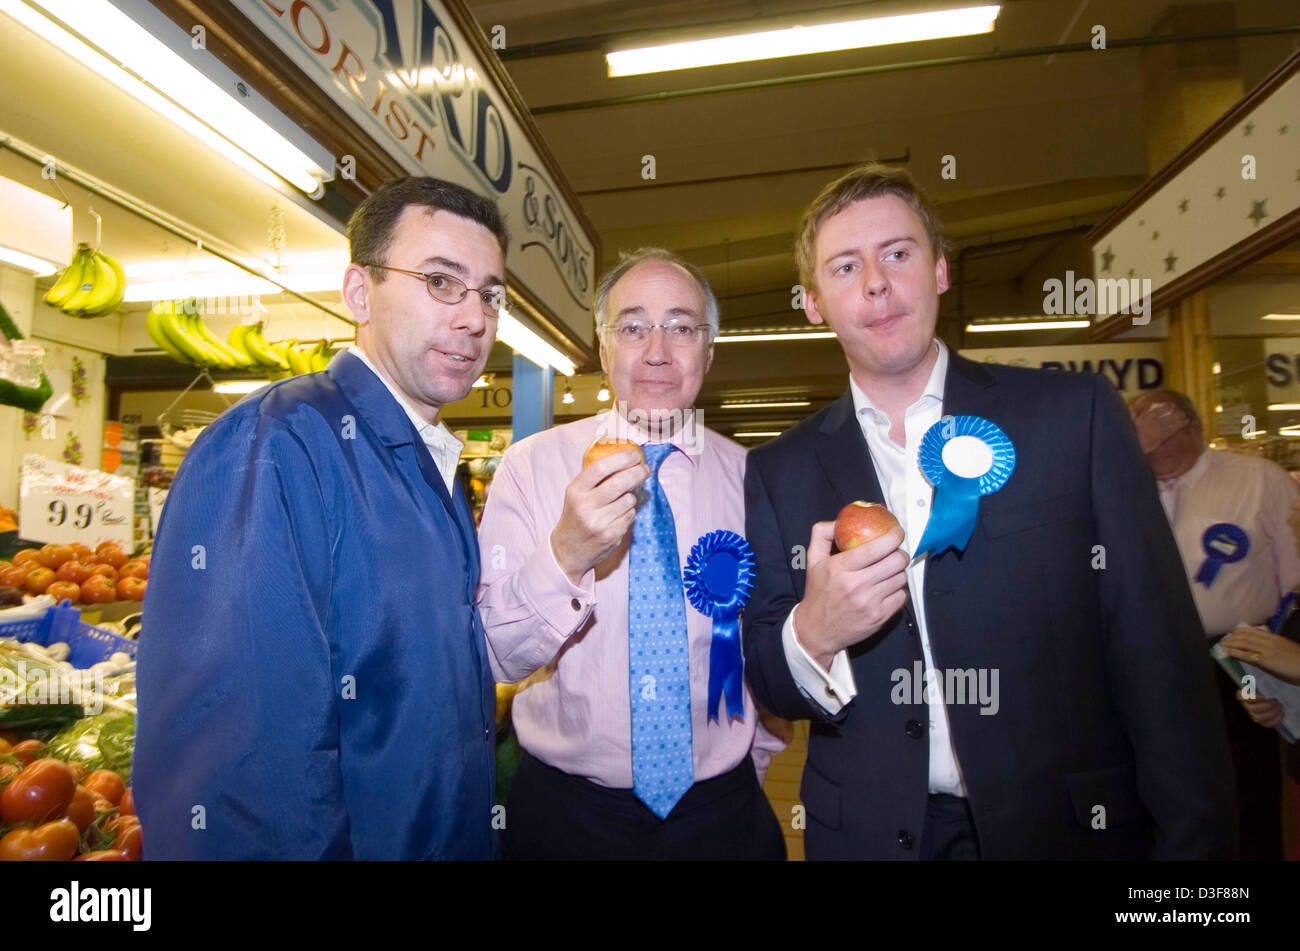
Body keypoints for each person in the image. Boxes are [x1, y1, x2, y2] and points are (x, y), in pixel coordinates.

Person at [742, 163, 1237, 861]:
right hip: (869, 839)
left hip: (1064, 830)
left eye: (899, 253)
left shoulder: (1074, 418)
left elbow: (1157, 655)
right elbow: (767, 674)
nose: (876, 282)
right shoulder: (777, 470)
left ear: (941, 270)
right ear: (814, 301)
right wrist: (812, 631)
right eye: (845, 265)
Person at [135, 177, 506, 859]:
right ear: (359, 292)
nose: (474, 316)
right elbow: (244, 776)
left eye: (489, 293)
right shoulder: (273, 446)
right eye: (441, 281)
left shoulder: (439, 476)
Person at [476, 247, 787, 860]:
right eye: (634, 326)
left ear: (709, 350)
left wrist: (752, 761)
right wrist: (566, 553)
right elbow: (495, 653)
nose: (657, 351)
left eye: (681, 327)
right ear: (603, 346)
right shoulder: (531, 468)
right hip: (566, 819)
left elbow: (765, 641)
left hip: (720, 816)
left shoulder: (756, 478)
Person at [1131, 389, 1300, 860]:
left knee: (1248, 786)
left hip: (1241, 657)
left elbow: (1297, 579)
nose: (1155, 455)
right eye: (1144, 446)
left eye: (1165, 442)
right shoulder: (1128, 486)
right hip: (1155, 657)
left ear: (1196, 429)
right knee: (1168, 786)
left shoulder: (1259, 479)